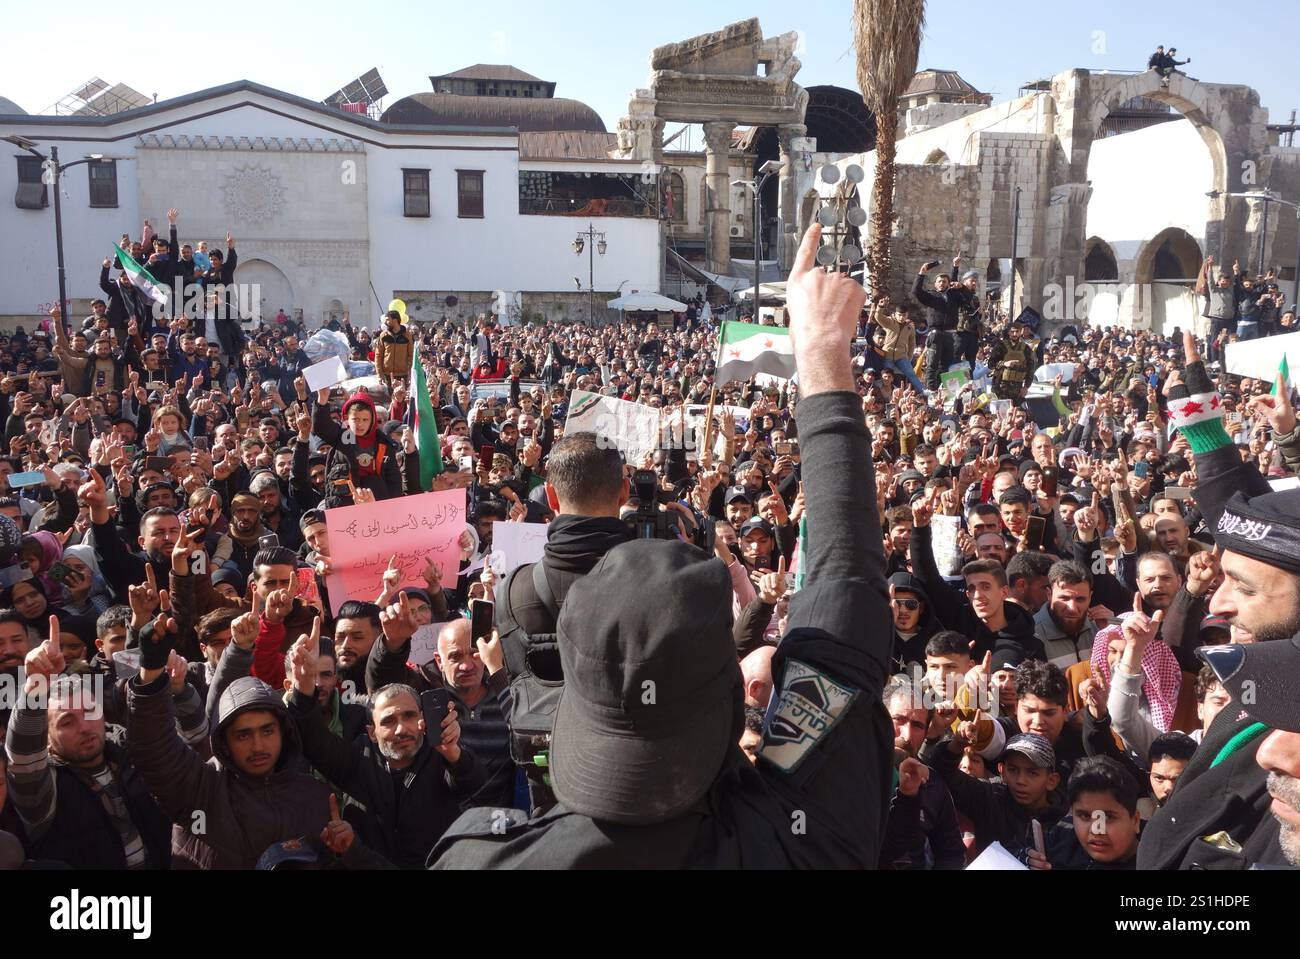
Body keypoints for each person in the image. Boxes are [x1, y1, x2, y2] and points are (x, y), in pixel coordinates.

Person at [429, 221, 894, 868]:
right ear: (732, 703)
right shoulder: (797, 843)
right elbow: (846, 595)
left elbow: (846, 594)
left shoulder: (478, 858)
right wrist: (820, 350)